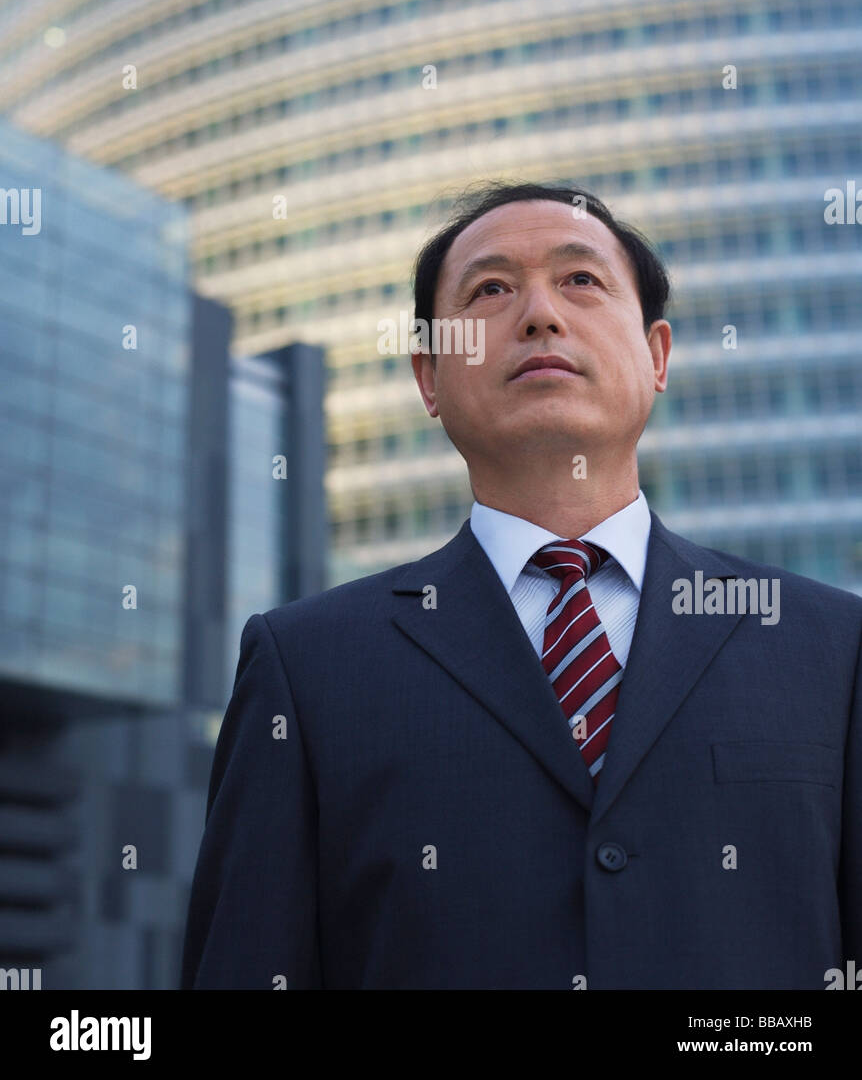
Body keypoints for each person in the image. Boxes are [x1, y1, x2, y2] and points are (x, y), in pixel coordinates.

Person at [180, 180, 862, 990]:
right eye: (491, 290)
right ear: (429, 377)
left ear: (658, 355)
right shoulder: (306, 666)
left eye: (582, 280)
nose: (540, 315)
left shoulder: (830, 645)